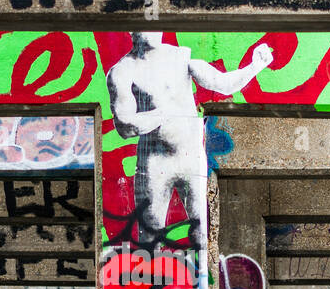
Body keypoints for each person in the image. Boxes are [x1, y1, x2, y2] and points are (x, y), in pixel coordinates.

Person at [107, 32, 273, 239]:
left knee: (201, 234)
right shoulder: (122, 71)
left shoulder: (180, 57)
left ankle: (203, 272)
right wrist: (164, 113)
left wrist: (255, 66)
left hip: (190, 157)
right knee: (150, 237)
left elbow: (220, 82)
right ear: (131, 30)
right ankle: (153, 271)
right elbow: (124, 125)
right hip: (154, 162)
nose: (152, 29)